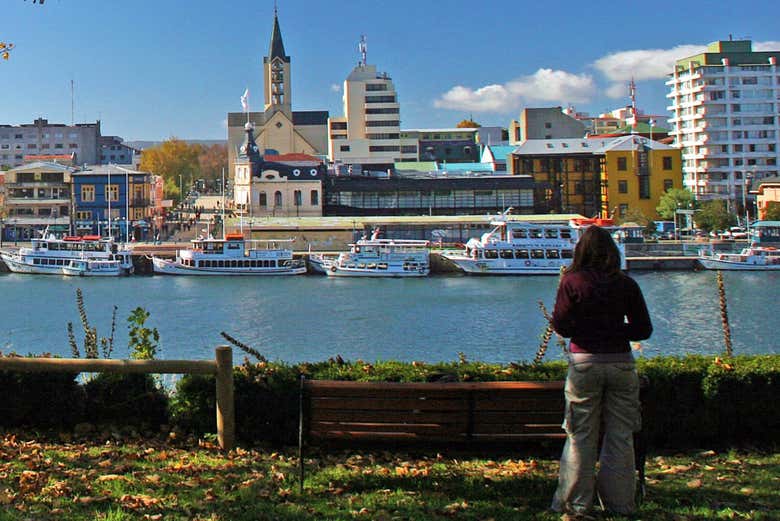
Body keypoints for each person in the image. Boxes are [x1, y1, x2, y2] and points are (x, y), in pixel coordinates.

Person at [550, 225, 652, 520]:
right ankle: (620, 503)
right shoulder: (626, 284)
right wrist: (615, 329)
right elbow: (643, 329)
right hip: (620, 361)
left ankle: (576, 504)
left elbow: (561, 324)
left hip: (585, 362)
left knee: (581, 434)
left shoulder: (572, 281)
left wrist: (586, 329)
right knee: (620, 435)